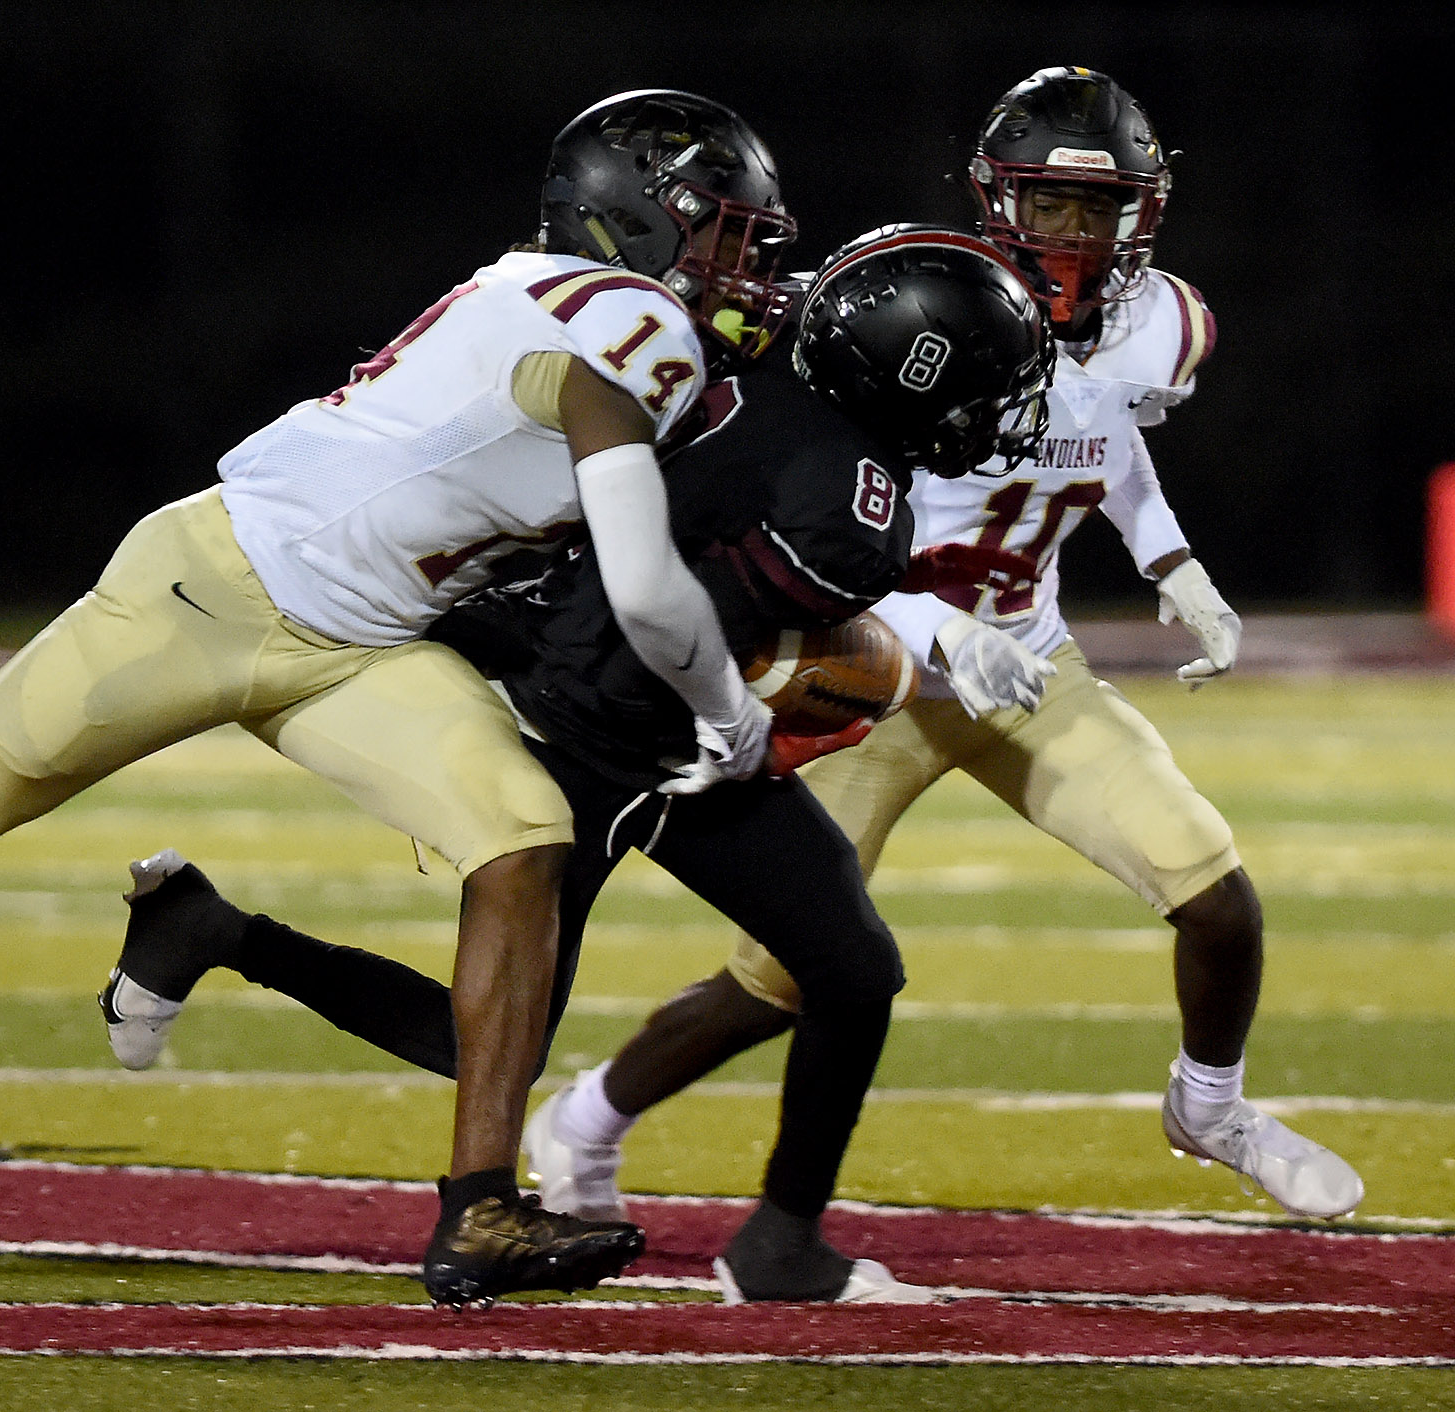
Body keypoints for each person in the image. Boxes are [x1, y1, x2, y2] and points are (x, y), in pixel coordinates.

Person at [0, 90, 808, 1306]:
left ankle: (478, 1202)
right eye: (715, 223)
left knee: (518, 835)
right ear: (631, 215)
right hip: (213, 587)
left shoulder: (569, 303)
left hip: (360, 642)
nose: (735, 257)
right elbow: (643, 589)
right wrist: (725, 712)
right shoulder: (628, 325)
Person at [98, 225, 1056, 1303]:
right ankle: (220, 932)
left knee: (849, 965)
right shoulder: (849, 503)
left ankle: (781, 1242)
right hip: (584, 728)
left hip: (631, 707)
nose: (993, 414)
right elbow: (767, 650)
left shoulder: (749, 368)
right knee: (484, 1046)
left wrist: (895, 636)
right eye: (981, 386)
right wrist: (866, 670)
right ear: (909, 371)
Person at [523, 66, 1365, 1226]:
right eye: (1048, 204)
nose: (1071, 233)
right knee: (780, 976)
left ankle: (1207, 1105)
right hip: (871, 667)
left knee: (1216, 896)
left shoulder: (1162, 326)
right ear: (993, 198)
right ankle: (588, 1116)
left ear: (1141, 213)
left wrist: (1173, 564)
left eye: (1096, 207)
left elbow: (1104, 438)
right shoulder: (900, 306)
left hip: (1029, 666)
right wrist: (928, 626)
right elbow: (818, 503)